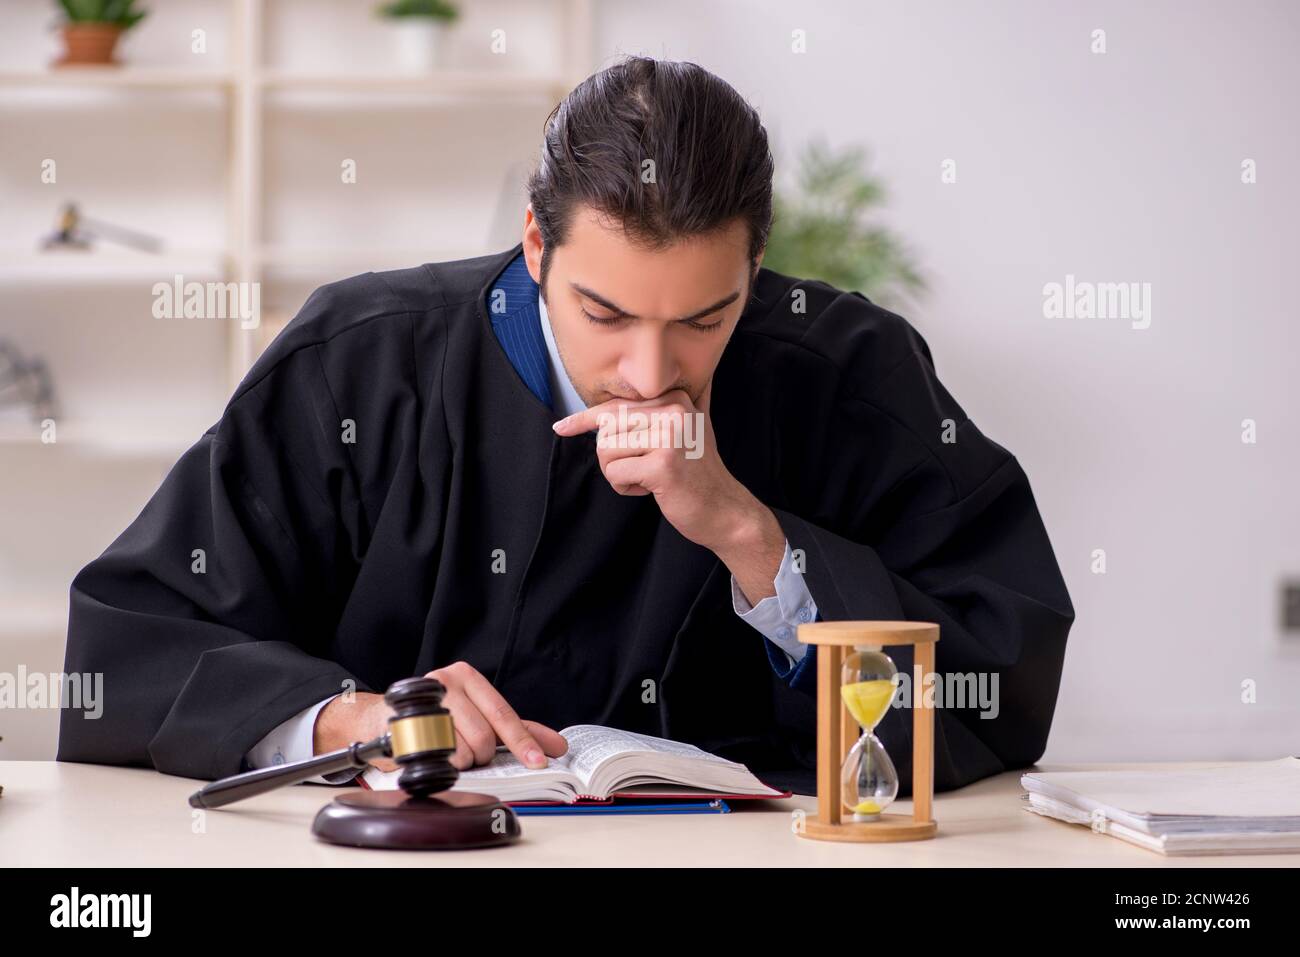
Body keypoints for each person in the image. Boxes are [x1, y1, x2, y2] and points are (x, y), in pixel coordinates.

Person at [57, 56, 1074, 796]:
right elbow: (128, 651)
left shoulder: (846, 372)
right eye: (606, 314)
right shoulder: (357, 360)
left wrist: (752, 540)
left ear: (754, 269)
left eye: (703, 320)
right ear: (535, 242)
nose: (648, 371)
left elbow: (998, 678)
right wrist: (362, 719)